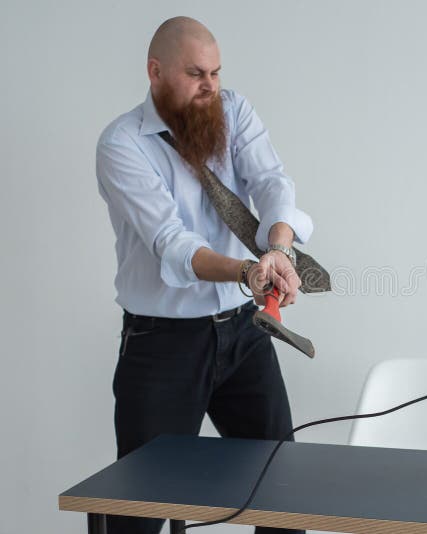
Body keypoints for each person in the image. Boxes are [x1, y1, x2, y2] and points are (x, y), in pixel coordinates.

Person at [96, 16, 309, 534]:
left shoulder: (233, 110)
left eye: (215, 72)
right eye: (195, 74)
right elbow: (173, 243)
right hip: (162, 347)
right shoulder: (122, 144)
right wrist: (247, 270)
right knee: (138, 512)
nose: (209, 86)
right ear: (155, 72)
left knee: (283, 493)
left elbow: (272, 182)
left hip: (244, 334)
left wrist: (279, 249)